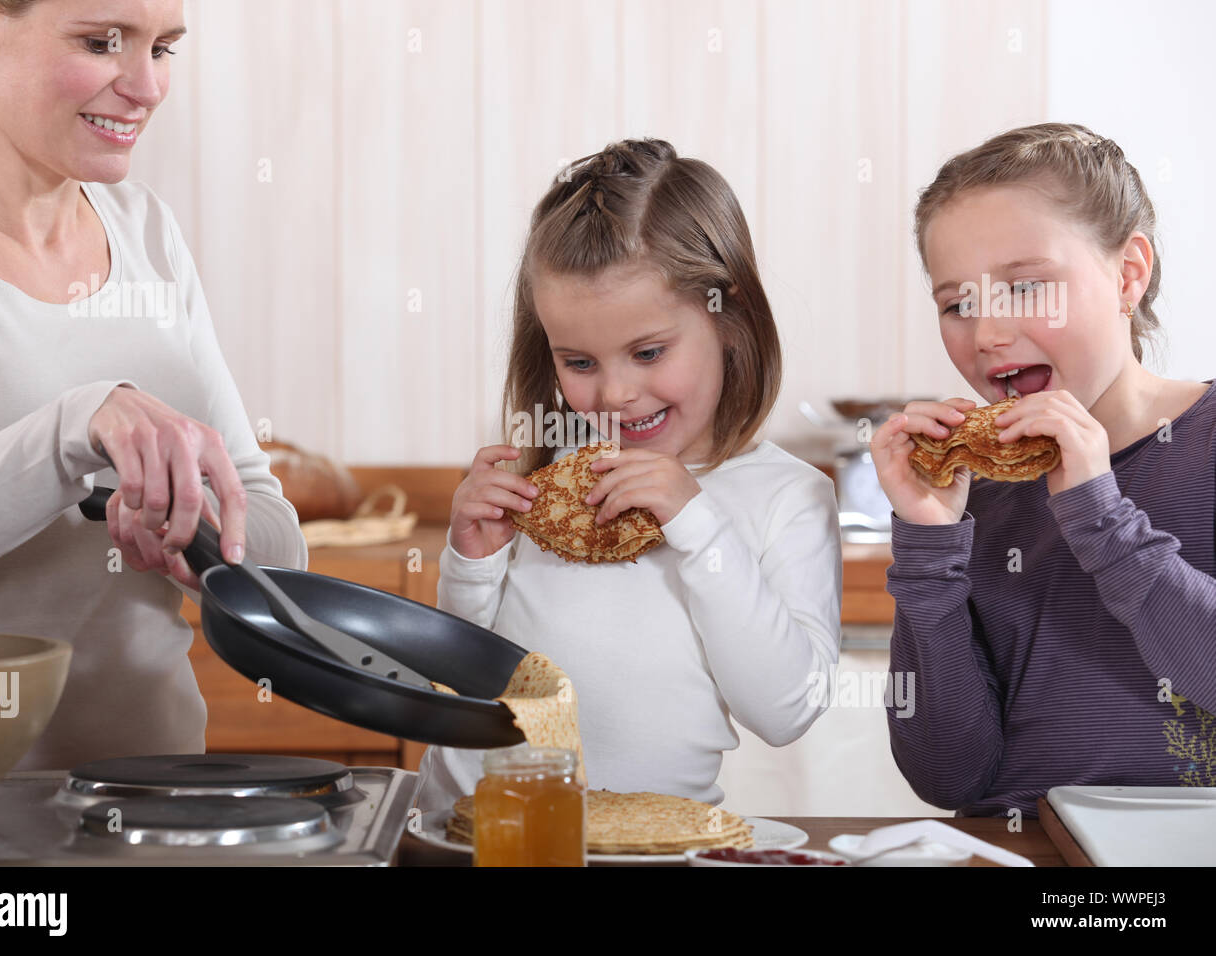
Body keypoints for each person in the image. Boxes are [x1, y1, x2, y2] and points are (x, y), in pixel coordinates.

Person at [0, 0, 306, 768]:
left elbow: (272, 532)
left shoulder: (146, 231)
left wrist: (195, 543)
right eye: (102, 42)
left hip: (155, 799)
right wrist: (71, 431)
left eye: (162, 48)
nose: (148, 86)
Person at [416, 139, 842, 810]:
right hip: (475, 833)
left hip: (656, 844)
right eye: (579, 362)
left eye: (647, 352)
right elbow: (456, 679)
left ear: (727, 318)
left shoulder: (787, 497)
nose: (614, 394)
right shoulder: (544, 477)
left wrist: (697, 523)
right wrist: (470, 563)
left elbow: (787, 710)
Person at [871, 122, 1216, 816]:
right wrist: (931, 545)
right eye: (958, 304)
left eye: (1025, 288)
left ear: (1128, 274)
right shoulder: (979, 496)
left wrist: (1102, 520)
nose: (988, 333)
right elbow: (949, 778)